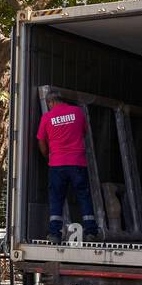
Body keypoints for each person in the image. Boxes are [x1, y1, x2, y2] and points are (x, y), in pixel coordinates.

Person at [37, 91, 99, 243]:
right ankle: (91, 232)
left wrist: (48, 156)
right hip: (77, 163)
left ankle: (55, 234)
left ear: (50, 102)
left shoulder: (47, 117)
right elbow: (83, 132)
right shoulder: (77, 112)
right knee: (83, 196)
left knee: (56, 198)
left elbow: (41, 141)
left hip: (57, 164)